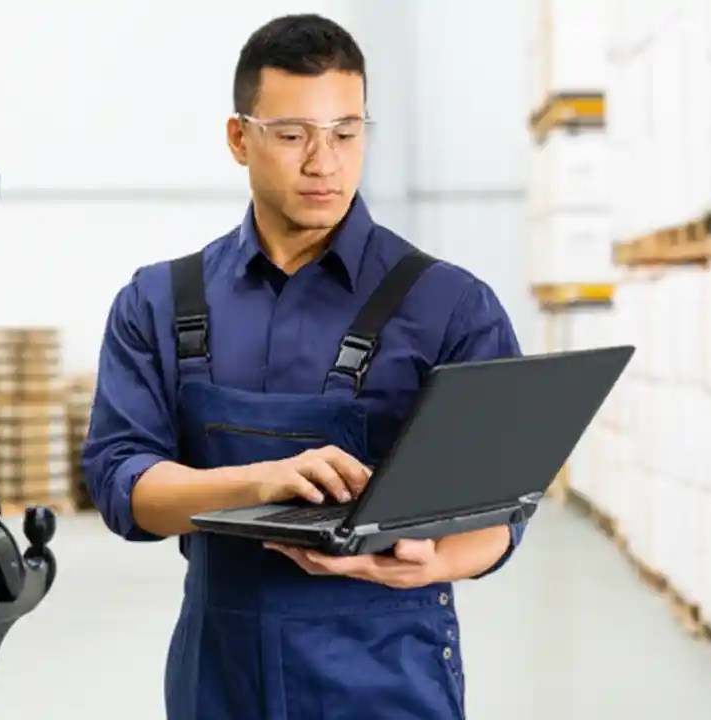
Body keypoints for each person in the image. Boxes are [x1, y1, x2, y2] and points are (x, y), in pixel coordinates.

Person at [81, 13, 525, 720]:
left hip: (388, 675)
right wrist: (259, 482)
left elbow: (502, 504)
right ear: (240, 138)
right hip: (219, 677)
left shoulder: (450, 305)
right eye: (292, 135)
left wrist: (436, 561)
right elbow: (121, 483)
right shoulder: (158, 302)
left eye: (346, 133)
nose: (324, 162)